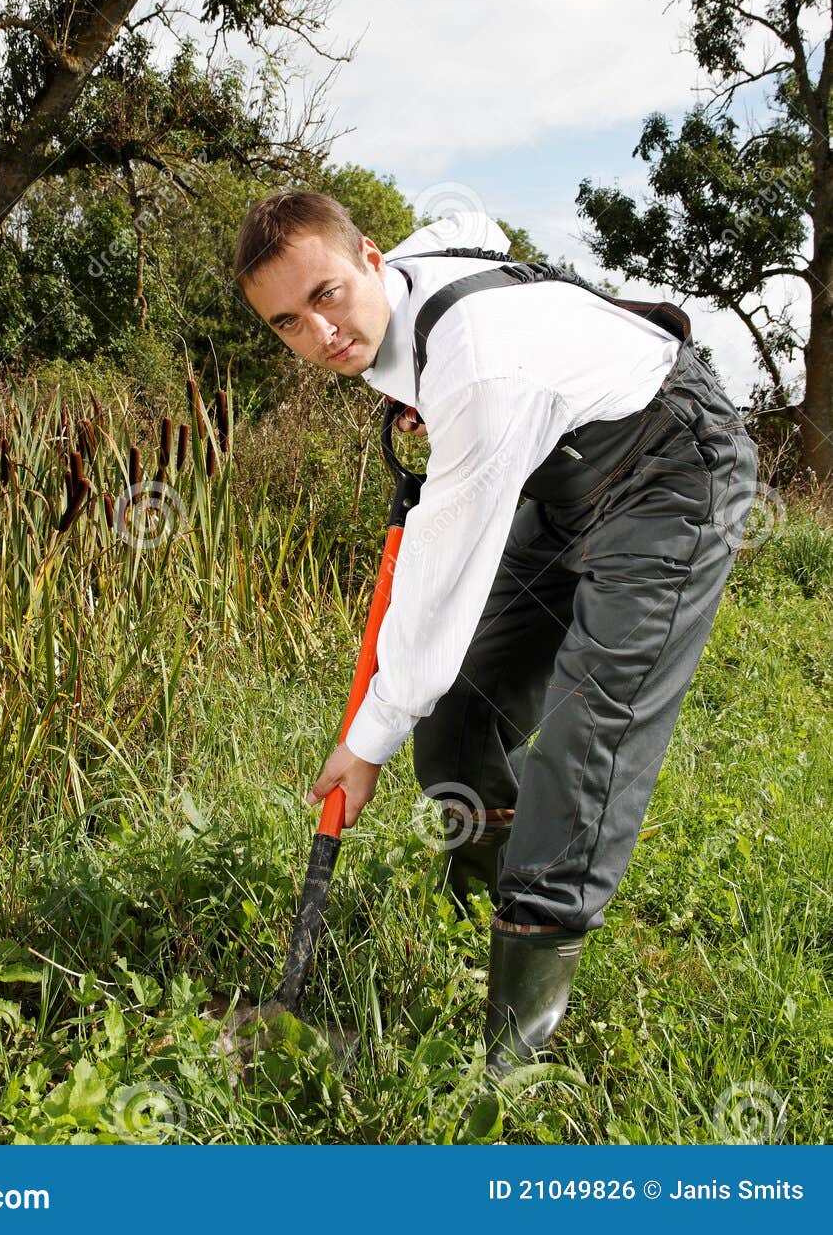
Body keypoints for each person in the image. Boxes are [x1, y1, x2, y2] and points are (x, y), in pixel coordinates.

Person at [233, 189, 759, 1078]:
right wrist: (414, 388)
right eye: (287, 322)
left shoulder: (476, 373)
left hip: (671, 467)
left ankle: (512, 1060)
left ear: (367, 258)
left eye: (325, 295)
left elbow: (439, 583)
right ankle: (475, 907)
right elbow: (472, 226)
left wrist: (362, 744)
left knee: (589, 738)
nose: (319, 335)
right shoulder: (406, 277)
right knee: (460, 713)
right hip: (560, 473)